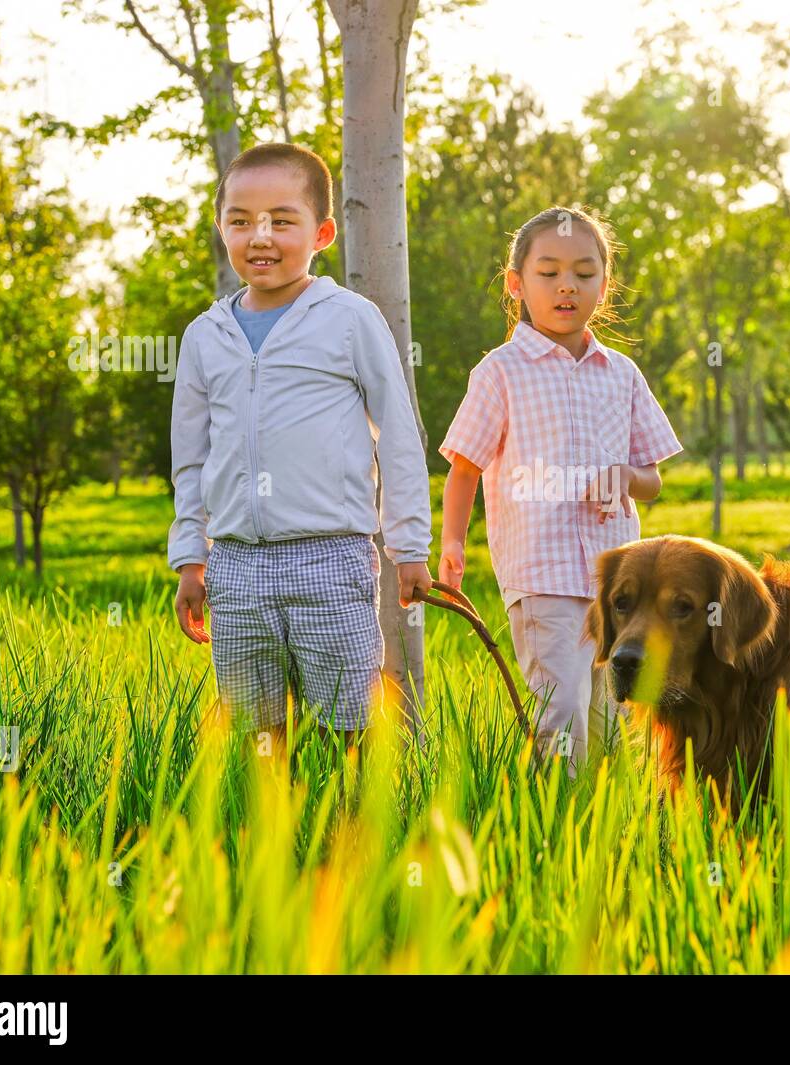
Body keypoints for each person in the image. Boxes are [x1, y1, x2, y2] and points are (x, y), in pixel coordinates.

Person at [168, 142, 433, 752]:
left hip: (330, 557)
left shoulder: (348, 318)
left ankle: (361, 835)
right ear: (221, 229)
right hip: (234, 566)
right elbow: (191, 458)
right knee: (259, 736)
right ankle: (273, 837)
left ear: (322, 232)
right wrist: (190, 555)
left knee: (353, 727)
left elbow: (398, 433)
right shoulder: (206, 336)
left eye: (281, 221)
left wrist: (410, 545)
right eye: (241, 221)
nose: (259, 237)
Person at [438, 205, 682, 775]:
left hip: (618, 585)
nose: (566, 286)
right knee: (563, 707)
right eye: (548, 273)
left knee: (613, 715)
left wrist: (625, 475)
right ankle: (554, 823)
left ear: (605, 283)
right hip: (541, 574)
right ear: (516, 284)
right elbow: (465, 467)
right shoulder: (500, 372)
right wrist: (451, 544)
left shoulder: (621, 374)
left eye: (583, 272)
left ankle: (611, 829)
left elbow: (653, 480)